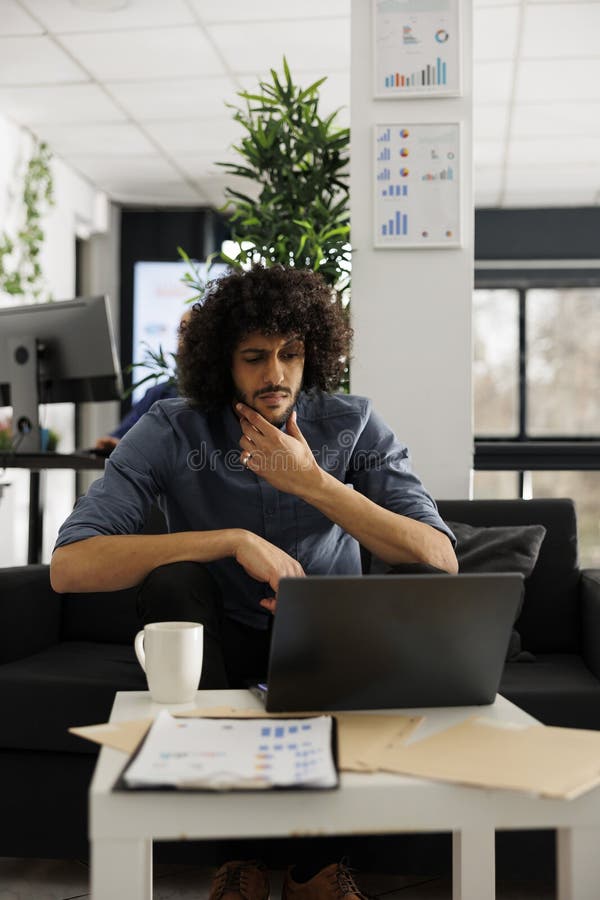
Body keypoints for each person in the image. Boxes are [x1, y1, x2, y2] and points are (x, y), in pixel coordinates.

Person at [51, 264, 457, 900]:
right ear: (222, 363)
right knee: (174, 581)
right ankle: (235, 861)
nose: (276, 375)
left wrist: (313, 482)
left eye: (292, 354)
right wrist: (234, 542)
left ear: (312, 353)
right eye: (255, 357)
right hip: (220, 644)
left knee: (362, 616)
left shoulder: (353, 424)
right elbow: (70, 566)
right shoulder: (170, 429)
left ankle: (313, 869)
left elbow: (439, 558)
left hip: (330, 646)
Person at [94, 310, 191, 453]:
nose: (182, 343)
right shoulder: (160, 393)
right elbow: (125, 434)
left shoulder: (226, 399)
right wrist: (115, 443)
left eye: (190, 333)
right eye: (180, 333)